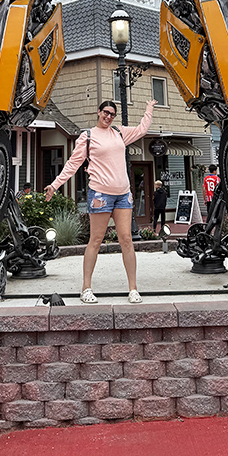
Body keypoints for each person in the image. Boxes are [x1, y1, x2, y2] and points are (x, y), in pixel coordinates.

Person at [45, 98, 156, 304]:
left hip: (123, 194)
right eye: (105, 112)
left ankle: (133, 289)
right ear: (98, 112)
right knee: (95, 241)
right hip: (100, 195)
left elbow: (142, 129)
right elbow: (72, 164)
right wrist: (55, 184)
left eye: (112, 114)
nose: (108, 117)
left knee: (127, 240)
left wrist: (148, 109)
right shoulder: (87, 137)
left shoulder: (119, 133)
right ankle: (86, 288)